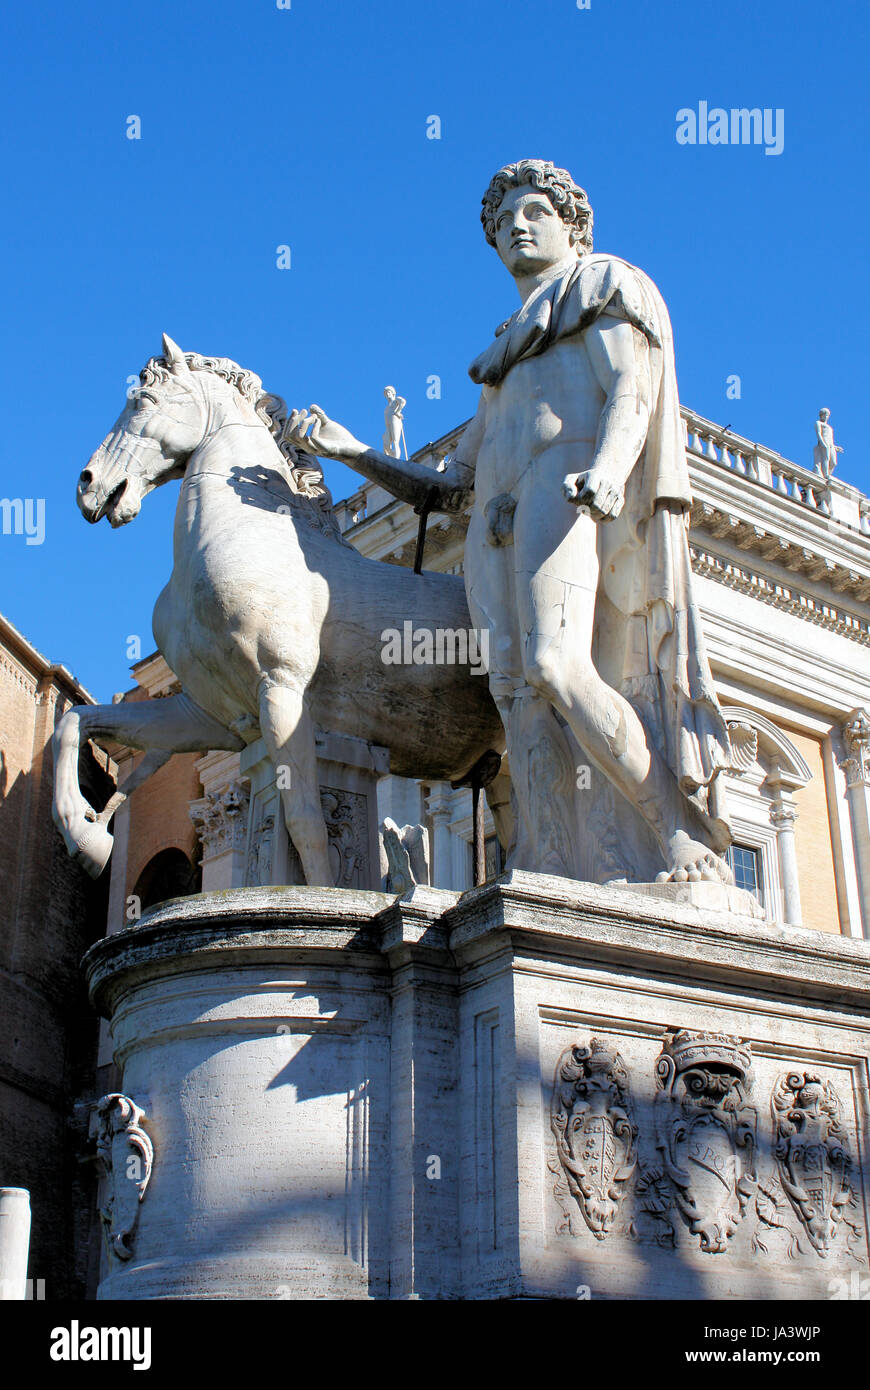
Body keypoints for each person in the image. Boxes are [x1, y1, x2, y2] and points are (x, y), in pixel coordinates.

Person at [288, 160, 732, 883]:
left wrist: (613, 470)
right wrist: (351, 449)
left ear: (573, 225)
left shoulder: (601, 285)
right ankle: (551, 860)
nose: (515, 229)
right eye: (501, 224)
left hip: (570, 480)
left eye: (532, 213)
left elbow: (633, 387)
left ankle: (675, 832)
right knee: (519, 696)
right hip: (497, 520)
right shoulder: (505, 351)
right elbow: (448, 488)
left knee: (556, 664)